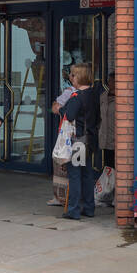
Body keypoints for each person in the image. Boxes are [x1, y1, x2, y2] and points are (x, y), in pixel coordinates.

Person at [61, 63, 101, 220]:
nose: (71, 78)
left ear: (78, 77)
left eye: (72, 75)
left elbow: (69, 115)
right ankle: (89, 207)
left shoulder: (77, 97)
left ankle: (73, 210)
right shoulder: (93, 95)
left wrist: (61, 109)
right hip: (90, 139)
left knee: (75, 175)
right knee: (87, 174)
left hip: (78, 140)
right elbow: (98, 118)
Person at [48, 75, 75, 207]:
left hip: (66, 135)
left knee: (61, 165)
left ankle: (61, 197)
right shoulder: (90, 92)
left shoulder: (70, 92)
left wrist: (57, 104)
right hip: (82, 136)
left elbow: (55, 108)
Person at [97, 70, 116, 206]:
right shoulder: (103, 96)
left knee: (118, 169)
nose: (111, 83)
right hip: (105, 138)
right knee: (108, 169)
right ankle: (106, 194)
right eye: (109, 81)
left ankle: (116, 196)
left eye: (113, 81)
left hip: (117, 140)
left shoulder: (123, 98)